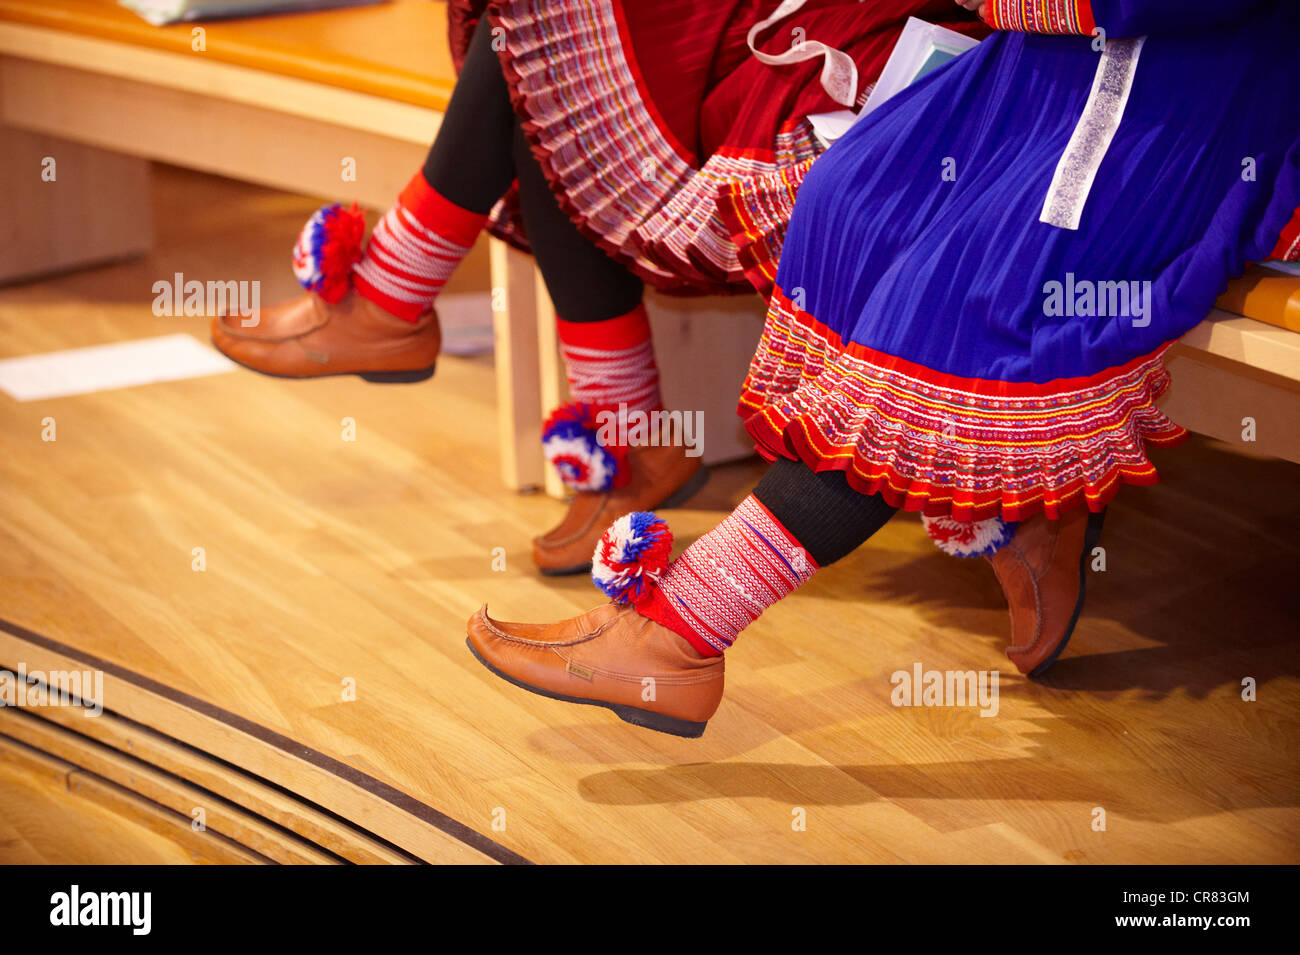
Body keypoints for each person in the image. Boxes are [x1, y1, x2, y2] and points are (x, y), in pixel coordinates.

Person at [465, 0, 1300, 738]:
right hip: (1045, 61)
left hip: (1199, 75)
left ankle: (682, 632)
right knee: (845, 202)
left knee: (960, 296)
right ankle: (1028, 509)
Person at [210, 1, 987, 574]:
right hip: (786, 24)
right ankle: (613, 432)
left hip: (896, 48)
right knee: (552, 77)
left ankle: (396, 292)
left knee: (555, 53)